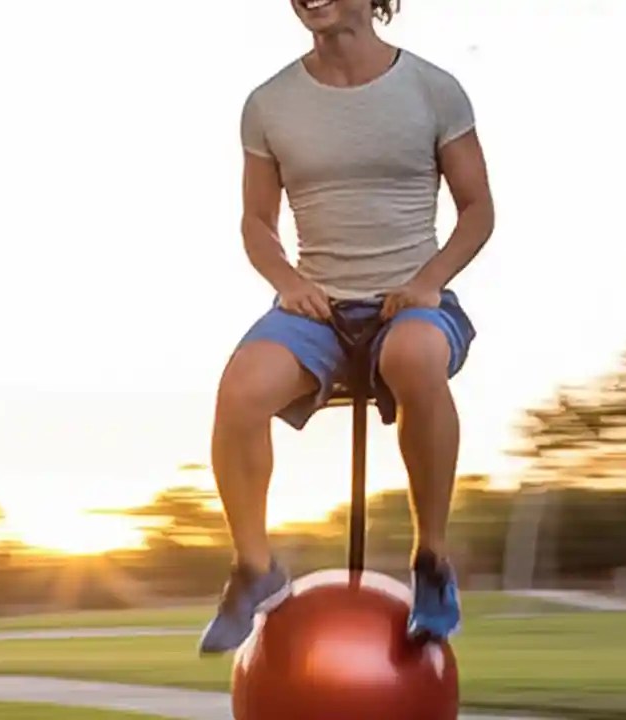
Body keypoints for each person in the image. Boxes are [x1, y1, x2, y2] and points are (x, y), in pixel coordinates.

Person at [198, 0, 494, 655]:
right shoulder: (269, 104)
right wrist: (287, 283)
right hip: (317, 309)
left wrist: (428, 280)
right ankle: (255, 570)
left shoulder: (432, 89)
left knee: (415, 357)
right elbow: (256, 222)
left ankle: (433, 564)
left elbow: (477, 209)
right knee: (240, 389)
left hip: (411, 301)